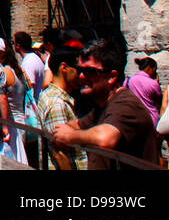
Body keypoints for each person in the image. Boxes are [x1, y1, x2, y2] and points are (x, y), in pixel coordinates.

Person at [52, 41, 161, 169]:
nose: (81, 76)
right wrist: (62, 132)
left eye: (90, 72)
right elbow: (78, 124)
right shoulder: (102, 105)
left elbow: (106, 137)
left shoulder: (126, 104)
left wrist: (70, 136)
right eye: (80, 70)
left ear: (112, 77)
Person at [38, 47, 87, 170]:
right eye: (79, 69)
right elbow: (60, 153)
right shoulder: (57, 104)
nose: (82, 76)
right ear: (64, 67)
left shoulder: (49, 94)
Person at [0, 38, 28, 164]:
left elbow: (3, 98)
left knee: (11, 159)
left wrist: (4, 124)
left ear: (1, 54)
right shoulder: (19, 70)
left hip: (11, 122)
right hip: (21, 119)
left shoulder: (5, 71)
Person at [125, 57, 162, 127]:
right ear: (149, 68)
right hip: (151, 119)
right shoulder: (153, 83)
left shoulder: (127, 81)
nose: (155, 72)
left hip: (133, 120)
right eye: (155, 69)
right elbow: (159, 101)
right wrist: (157, 84)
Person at [14, 32, 44, 105]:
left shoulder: (28, 62)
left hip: (34, 106)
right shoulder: (34, 58)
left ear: (18, 45)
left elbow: (30, 86)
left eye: (13, 42)